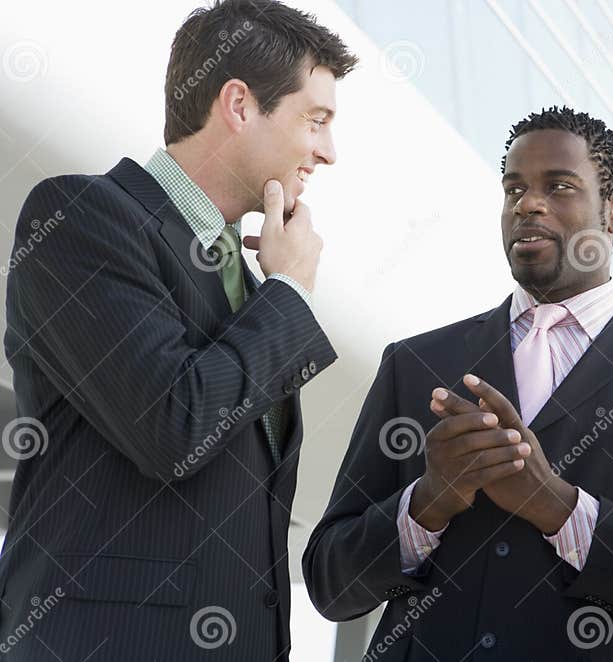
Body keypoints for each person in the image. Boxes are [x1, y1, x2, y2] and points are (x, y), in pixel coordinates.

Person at [0, 2, 356, 659]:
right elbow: (174, 425)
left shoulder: (253, 285)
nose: (328, 152)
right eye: (316, 120)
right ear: (239, 105)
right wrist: (289, 294)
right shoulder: (80, 217)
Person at [303, 107, 613, 661]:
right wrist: (427, 503)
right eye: (514, 189)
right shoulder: (414, 364)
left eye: (558, 187)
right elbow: (331, 583)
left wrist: (560, 509)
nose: (527, 204)